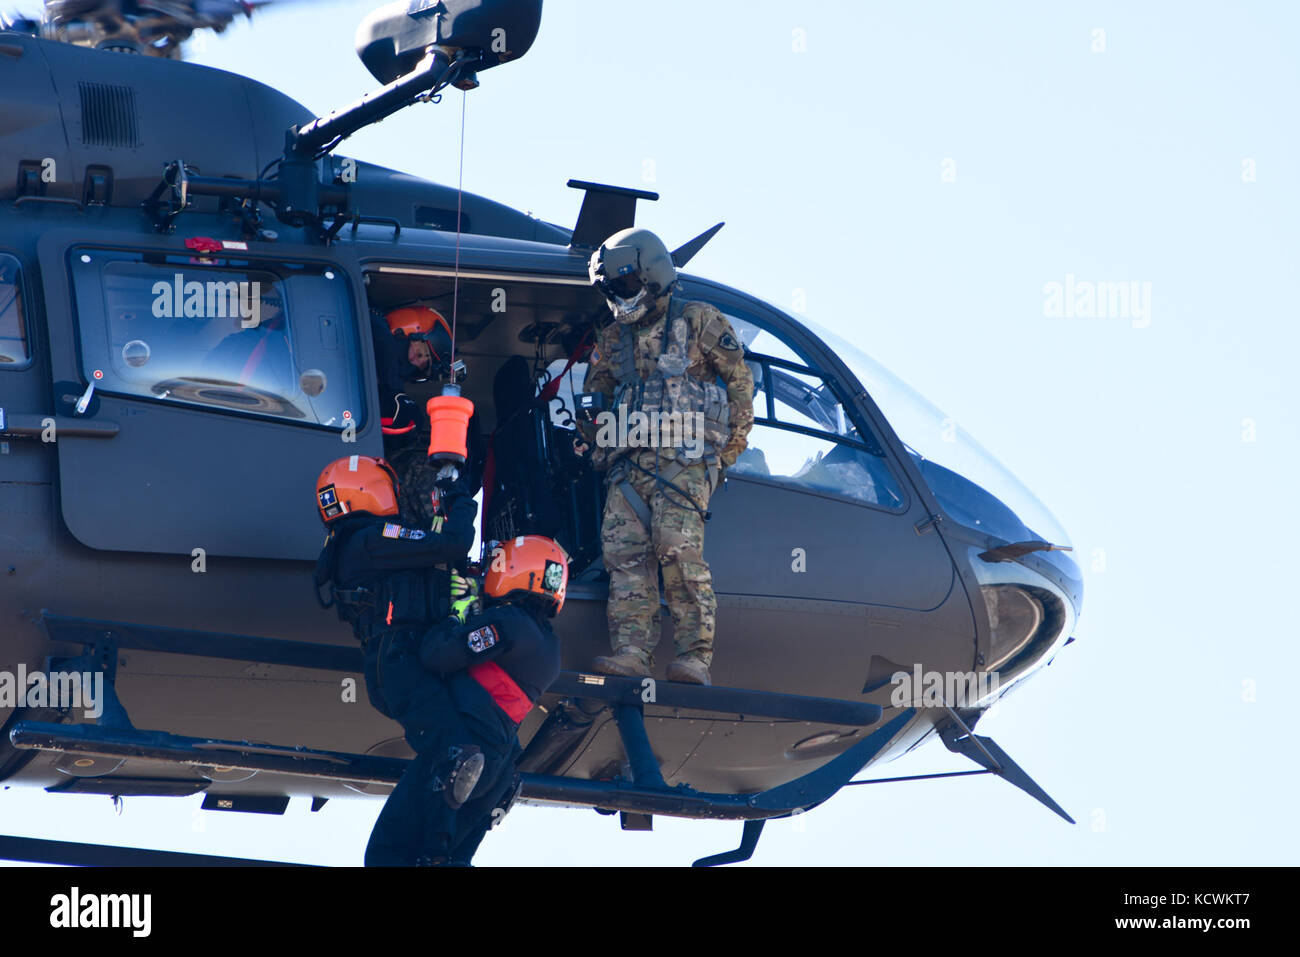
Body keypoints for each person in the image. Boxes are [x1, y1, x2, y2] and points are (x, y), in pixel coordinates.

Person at [580, 228, 754, 686]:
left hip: (686, 460)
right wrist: (596, 432)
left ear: (652, 275)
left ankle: (694, 656)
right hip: (627, 465)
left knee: (678, 550)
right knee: (624, 558)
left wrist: (726, 455)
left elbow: (739, 383)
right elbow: (596, 393)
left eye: (625, 285)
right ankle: (632, 652)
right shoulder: (614, 338)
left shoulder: (698, 320)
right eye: (612, 290)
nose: (620, 297)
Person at [312, 453, 482, 865]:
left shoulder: (363, 544)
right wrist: (461, 501)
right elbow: (452, 543)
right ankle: (428, 855)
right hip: (401, 663)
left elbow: (437, 559)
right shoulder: (372, 538)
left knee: (459, 755)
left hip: (404, 661)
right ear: (370, 489)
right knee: (456, 753)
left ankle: (432, 852)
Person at [409, 534, 568, 863]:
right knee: (453, 855)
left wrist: (456, 615)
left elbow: (437, 655)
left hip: (463, 756)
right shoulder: (551, 647)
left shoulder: (507, 623)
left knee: (397, 850)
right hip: (498, 767)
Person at [372, 304, 487, 525]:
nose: (416, 362)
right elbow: (438, 531)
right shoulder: (392, 402)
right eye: (421, 353)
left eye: (422, 362)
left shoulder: (390, 398)